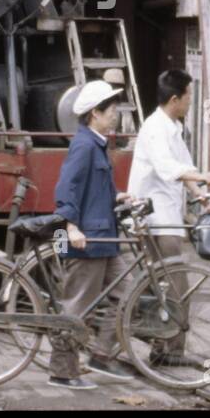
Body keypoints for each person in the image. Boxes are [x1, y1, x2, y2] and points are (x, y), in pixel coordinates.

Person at [50, 79, 138, 388]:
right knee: (77, 308)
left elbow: (93, 189)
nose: (115, 115)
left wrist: (117, 196)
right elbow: (66, 188)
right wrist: (70, 226)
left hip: (105, 238)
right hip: (87, 240)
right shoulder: (84, 145)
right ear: (94, 114)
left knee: (127, 294)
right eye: (110, 110)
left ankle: (101, 355)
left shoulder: (97, 144)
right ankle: (62, 371)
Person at [128, 69, 210, 365]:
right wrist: (204, 177)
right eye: (189, 95)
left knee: (166, 285)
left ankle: (162, 346)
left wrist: (199, 193)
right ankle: (170, 351)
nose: (192, 101)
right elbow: (169, 168)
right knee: (176, 285)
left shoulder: (172, 126)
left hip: (167, 216)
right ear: (174, 99)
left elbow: (183, 167)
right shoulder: (156, 128)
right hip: (155, 220)